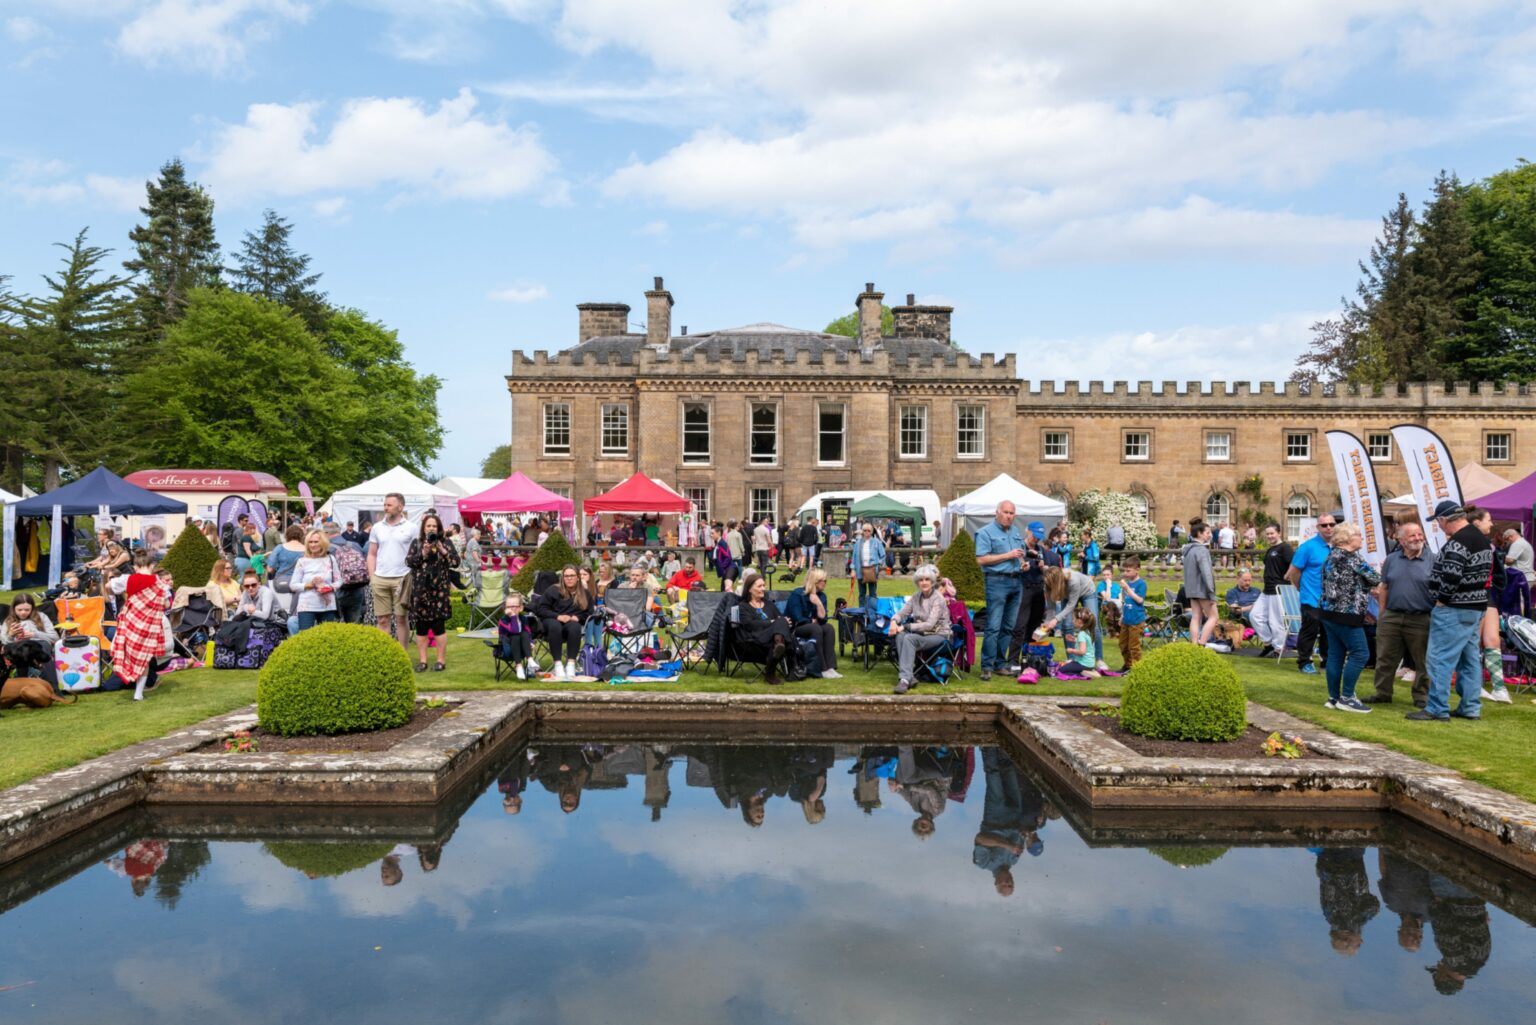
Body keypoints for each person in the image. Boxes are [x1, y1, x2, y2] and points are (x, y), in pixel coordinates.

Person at [1408, 501, 1491, 722]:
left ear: (1444, 520)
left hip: (1454, 607)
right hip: (1475, 607)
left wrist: (1442, 600)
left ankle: (1436, 707)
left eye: (1439, 522)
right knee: (1469, 659)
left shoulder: (1458, 542)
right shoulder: (1480, 538)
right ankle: (1471, 707)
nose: (1439, 527)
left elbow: (1452, 576)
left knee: (1439, 658)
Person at [1365, 521, 1434, 707]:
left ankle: (1421, 696)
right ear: (1401, 540)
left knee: (1423, 660)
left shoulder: (1434, 559)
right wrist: (1382, 613)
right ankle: (1382, 693)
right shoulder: (1392, 559)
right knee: (1385, 657)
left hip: (1421, 617)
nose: (1418, 538)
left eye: (1420, 534)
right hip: (1392, 615)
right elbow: (1384, 587)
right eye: (1412, 535)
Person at [1319, 523, 1380, 713]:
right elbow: (1375, 578)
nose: (1362, 538)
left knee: (1336, 655)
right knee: (1361, 653)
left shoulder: (1332, 556)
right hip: (1347, 613)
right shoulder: (1351, 557)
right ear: (1347, 538)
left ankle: (1333, 697)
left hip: (1329, 611)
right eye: (1359, 535)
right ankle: (1347, 697)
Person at [974, 501, 1026, 681]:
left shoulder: (1016, 532)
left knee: (1009, 627)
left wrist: (1023, 564)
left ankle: (1000, 664)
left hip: (1016, 581)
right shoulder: (985, 532)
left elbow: (1020, 555)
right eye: (1006, 512)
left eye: (1012, 513)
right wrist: (1008, 555)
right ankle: (986, 666)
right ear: (997, 512)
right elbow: (980, 559)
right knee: (993, 627)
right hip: (996, 582)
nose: (1009, 516)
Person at [405, 513, 461, 672]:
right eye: (428, 525)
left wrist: (443, 550)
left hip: (439, 591)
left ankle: (440, 661)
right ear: (423, 528)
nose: (431, 528)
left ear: (439, 528)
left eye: (434, 526)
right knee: (421, 627)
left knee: (439, 626)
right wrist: (423, 553)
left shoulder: (446, 542)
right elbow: (409, 562)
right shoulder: (417, 543)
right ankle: (423, 661)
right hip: (421, 590)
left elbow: (456, 563)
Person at [112, 554, 172, 701]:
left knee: (128, 652)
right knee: (143, 658)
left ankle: (128, 677)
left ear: (135, 567)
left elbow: (111, 587)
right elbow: (166, 605)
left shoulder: (127, 579)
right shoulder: (159, 584)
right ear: (152, 566)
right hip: (148, 626)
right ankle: (138, 693)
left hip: (131, 621)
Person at [1286, 510, 1339, 674]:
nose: (1328, 528)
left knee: (1329, 631)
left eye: (1331, 524)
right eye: (1324, 525)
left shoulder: (1338, 547)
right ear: (1318, 527)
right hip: (1311, 597)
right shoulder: (1308, 547)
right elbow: (1293, 572)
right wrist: (1300, 588)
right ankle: (1304, 661)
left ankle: (1327, 661)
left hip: (1331, 599)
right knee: (1310, 630)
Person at [368, 492, 416, 647]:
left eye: (389, 505)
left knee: (401, 619)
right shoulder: (377, 527)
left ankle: (402, 655)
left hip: (402, 578)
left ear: (400, 507)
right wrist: (372, 577)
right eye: (384, 505)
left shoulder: (411, 527)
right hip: (380, 578)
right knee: (382, 619)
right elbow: (371, 554)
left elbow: (416, 555)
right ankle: (385, 655)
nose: (385, 508)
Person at [1039, 565, 1106, 670]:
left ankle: (1099, 659)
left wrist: (1056, 619)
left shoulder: (1072, 580)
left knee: (1094, 625)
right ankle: (1072, 659)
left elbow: (1071, 605)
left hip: (1087, 591)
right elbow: (1051, 608)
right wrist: (1047, 623)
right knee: (1066, 625)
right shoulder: (1047, 585)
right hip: (1067, 595)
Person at [1005, 521, 1051, 669]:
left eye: (1039, 536)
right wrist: (1021, 567)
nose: (1036, 539)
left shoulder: (1041, 550)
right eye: (1034, 535)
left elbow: (1046, 572)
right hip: (1023, 589)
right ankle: (1012, 660)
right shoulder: (1020, 548)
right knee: (1020, 625)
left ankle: (1029, 659)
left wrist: (1043, 568)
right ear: (1027, 531)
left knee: (1035, 627)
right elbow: (1011, 567)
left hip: (1038, 590)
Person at [533, 565, 590, 680]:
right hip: (551, 621)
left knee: (575, 627)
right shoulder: (553, 590)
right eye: (566, 576)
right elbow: (541, 609)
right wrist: (557, 616)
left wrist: (578, 618)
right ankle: (558, 665)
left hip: (571, 623)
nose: (569, 578)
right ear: (563, 578)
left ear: (578, 577)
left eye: (572, 575)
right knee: (555, 626)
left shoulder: (584, 593)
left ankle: (571, 665)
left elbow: (589, 612)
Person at [737, 570, 791, 685]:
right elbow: (750, 625)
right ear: (750, 589)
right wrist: (772, 622)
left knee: (781, 623)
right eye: (759, 586)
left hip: (771, 639)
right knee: (779, 623)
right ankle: (778, 646)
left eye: (763, 586)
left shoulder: (769, 604)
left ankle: (778, 644)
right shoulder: (743, 606)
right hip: (755, 638)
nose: (763, 589)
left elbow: (780, 619)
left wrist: (782, 622)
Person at [786, 567, 841, 679]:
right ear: (815, 581)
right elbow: (797, 618)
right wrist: (812, 621)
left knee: (829, 628)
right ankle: (822, 668)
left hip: (813, 627)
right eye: (823, 581)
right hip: (796, 629)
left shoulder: (822, 596)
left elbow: (823, 619)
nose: (825, 583)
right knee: (816, 628)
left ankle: (830, 667)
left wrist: (818, 603)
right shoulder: (797, 594)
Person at [1, 593, 62, 691]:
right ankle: (21, 688)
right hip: (20, 649)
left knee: (43, 647)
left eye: (27, 610)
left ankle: (54, 688)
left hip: (39, 646)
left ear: (32, 608)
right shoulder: (9, 620)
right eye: (19, 610)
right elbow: (4, 642)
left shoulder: (41, 616)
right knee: (22, 651)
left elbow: (55, 637)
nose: (23, 613)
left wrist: (34, 634)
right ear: (14, 609)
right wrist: (11, 635)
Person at [289, 529, 342, 633]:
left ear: (322, 542)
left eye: (316, 542)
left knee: (327, 638)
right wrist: (308, 585)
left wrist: (329, 587)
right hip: (307, 606)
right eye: (310, 542)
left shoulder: (330, 559)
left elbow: (339, 581)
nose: (313, 545)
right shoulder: (302, 561)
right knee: (305, 638)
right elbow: (293, 585)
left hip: (327, 606)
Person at [1252, 523, 1292, 658]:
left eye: (1272, 533)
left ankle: (1278, 649)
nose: (1269, 536)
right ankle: (1268, 643)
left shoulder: (1285, 548)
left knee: (1276, 621)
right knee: (1255, 616)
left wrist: (1288, 577)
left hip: (1279, 589)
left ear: (1279, 533)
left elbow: (1294, 565)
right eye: (1267, 534)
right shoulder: (1270, 550)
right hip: (1266, 589)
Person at [496, 592, 537, 680]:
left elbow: (528, 632)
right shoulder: (503, 621)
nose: (511, 609)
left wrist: (530, 642)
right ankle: (518, 666)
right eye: (508, 606)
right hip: (507, 650)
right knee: (515, 636)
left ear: (521, 608)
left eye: (514, 606)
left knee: (525, 633)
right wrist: (513, 616)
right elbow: (515, 631)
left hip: (523, 650)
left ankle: (530, 660)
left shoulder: (523, 619)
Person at [1117, 556, 1148, 671]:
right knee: (1123, 645)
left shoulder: (1141, 584)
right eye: (1124, 570)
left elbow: (1140, 600)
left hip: (1136, 620)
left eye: (1128, 570)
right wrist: (1122, 616)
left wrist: (1127, 589)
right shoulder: (1127, 583)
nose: (1126, 573)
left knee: (1134, 646)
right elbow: (1126, 602)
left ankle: (1136, 668)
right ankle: (1128, 665)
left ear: (1137, 569)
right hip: (1126, 619)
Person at [850, 521, 887, 604]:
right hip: (860, 570)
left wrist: (877, 564)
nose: (866, 532)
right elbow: (854, 557)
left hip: (872, 570)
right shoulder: (858, 543)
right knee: (861, 594)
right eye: (865, 530)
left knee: (873, 594)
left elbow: (883, 555)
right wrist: (853, 569)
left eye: (868, 530)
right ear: (862, 531)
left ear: (871, 532)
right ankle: (862, 613)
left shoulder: (876, 542)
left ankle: (872, 612)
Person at [1058, 606, 1100, 677]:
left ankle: (1084, 673)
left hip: (1083, 664)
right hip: (1090, 664)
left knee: (1060, 671)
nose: (1072, 621)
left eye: (1073, 619)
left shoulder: (1082, 634)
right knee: (1067, 666)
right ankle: (1089, 670)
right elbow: (1086, 644)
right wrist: (1074, 640)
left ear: (1079, 621)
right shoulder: (1088, 631)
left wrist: (1071, 650)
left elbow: (1082, 652)